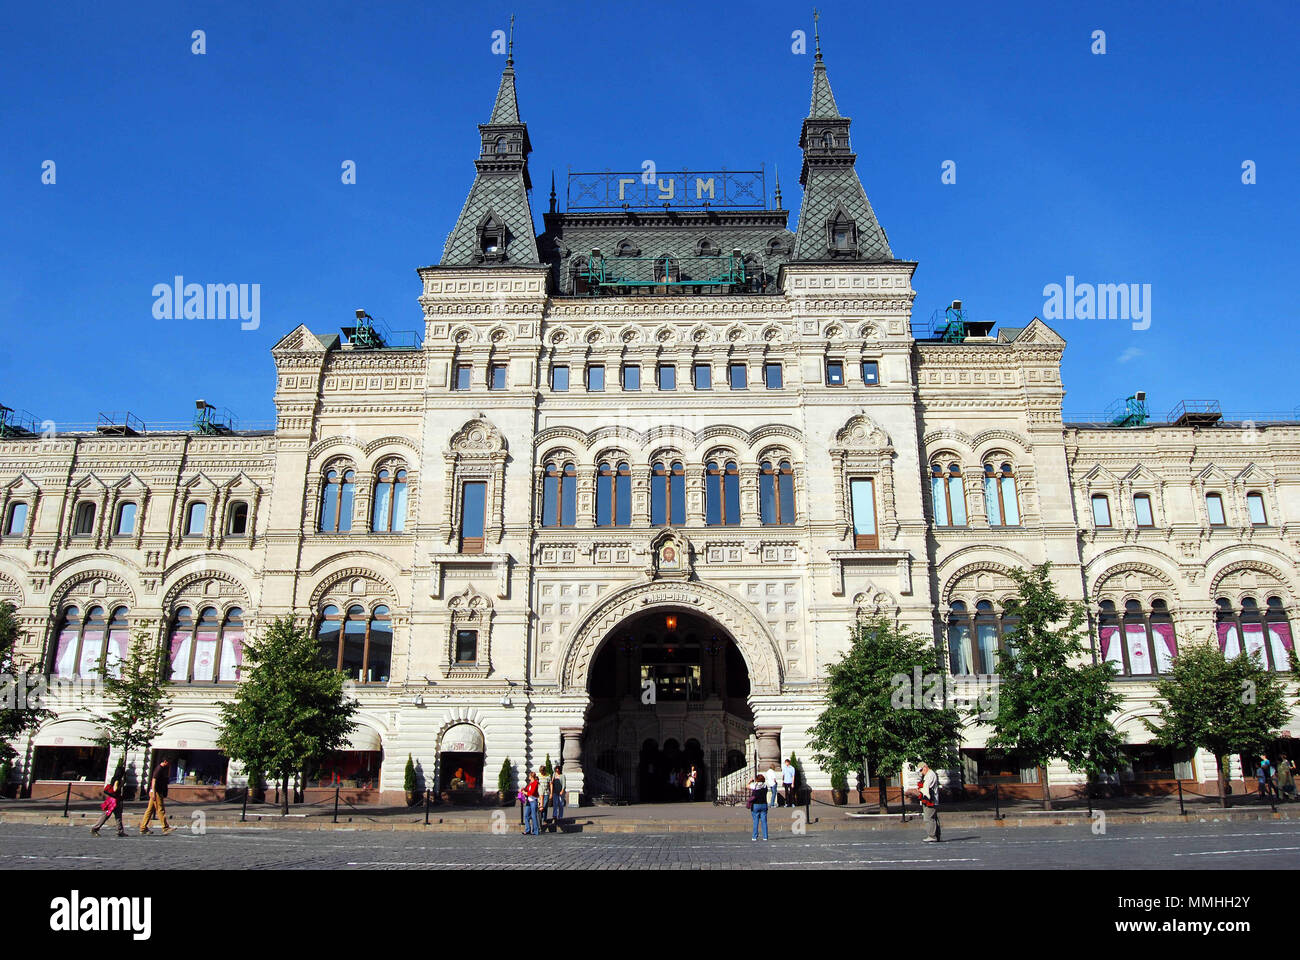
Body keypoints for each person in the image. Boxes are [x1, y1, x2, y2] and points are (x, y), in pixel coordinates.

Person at [91, 764, 128, 837]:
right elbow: (115, 789)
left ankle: (120, 830)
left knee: (118, 815)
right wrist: (122, 784)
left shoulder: (114, 778)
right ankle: (95, 828)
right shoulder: (117, 780)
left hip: (115, 800)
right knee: (106, 815)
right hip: (113, 801)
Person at [140, 758, 174, 835]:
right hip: (157, 792)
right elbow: (154, 780)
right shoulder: (159, 769)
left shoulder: (162, 769)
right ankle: (165, 828)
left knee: (149, 810)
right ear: (165, 761)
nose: (169, 765)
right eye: (168, 763)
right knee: (160, 809)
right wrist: (153, 792)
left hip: (156, 792)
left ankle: (143, 827)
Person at [917, 762, 941, 842]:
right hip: (930, 799)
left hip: (930, 800)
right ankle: (936, 835)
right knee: (933, 818)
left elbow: (926, 788)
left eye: (921, 770)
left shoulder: (930, 775)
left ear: (925, 767)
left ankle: (932, 836)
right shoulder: (929, 774)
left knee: (928, 818)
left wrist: (920, 789)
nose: (921, 772)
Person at [748, 774, 769, 841]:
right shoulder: (765, 786)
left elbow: (747, 786)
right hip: (764, 804)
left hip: (756, 805)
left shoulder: (755, 785)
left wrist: (750, 781)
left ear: (757, 779)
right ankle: (765, 836)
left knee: (755, 821)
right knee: (764, 821)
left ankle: (754, 836)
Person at [522, 771, 541, 836]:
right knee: (526, 815)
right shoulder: (530, 783)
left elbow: (531, 793)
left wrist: (525, 793)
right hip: (529, 801)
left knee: (533, 816)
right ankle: (528, 830)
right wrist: (522, 790)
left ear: (531, 776)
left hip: (533, 801)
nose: (528, 777)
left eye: (529, 776)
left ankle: (536, 831)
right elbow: (527, 789)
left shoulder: (535, 783)